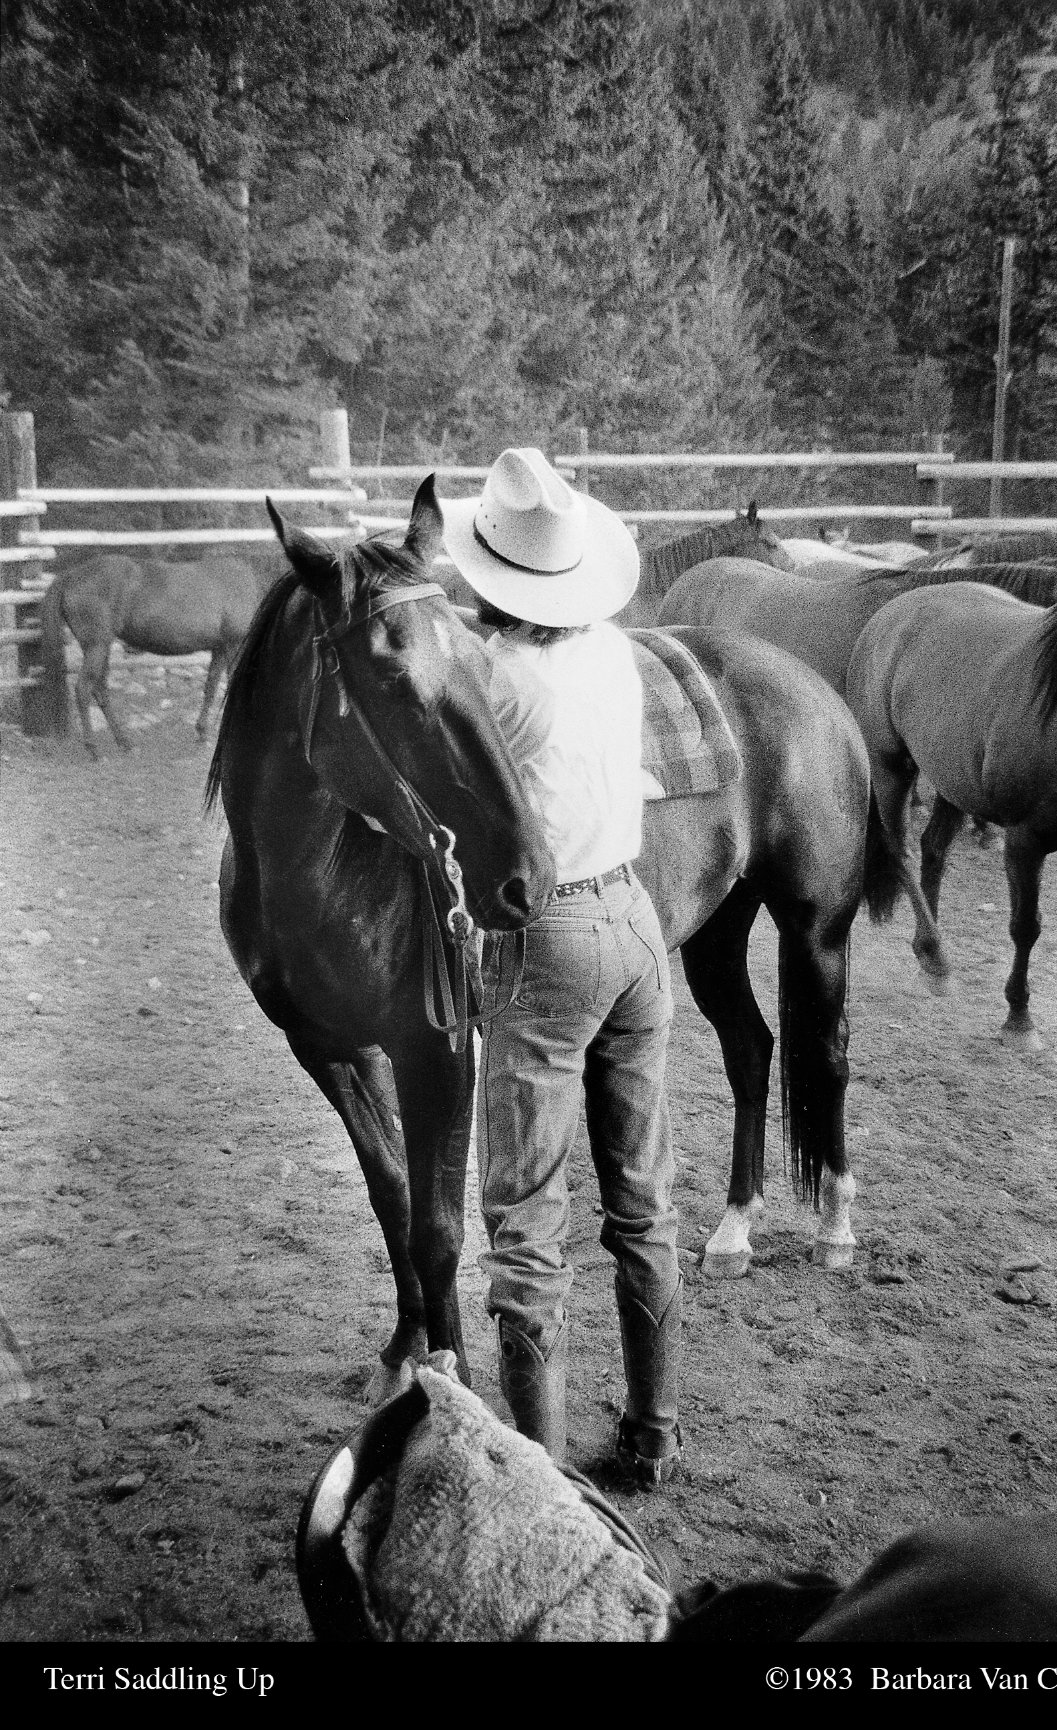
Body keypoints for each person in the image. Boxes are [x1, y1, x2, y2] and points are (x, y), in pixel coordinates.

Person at [440, 447, 682, 1488]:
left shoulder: (491, 674)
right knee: (643, 1198)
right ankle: (653, 1432)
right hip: (636, 921)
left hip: (547, 940)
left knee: (527, 1217)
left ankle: (540, 1479)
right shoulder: (615, 648)